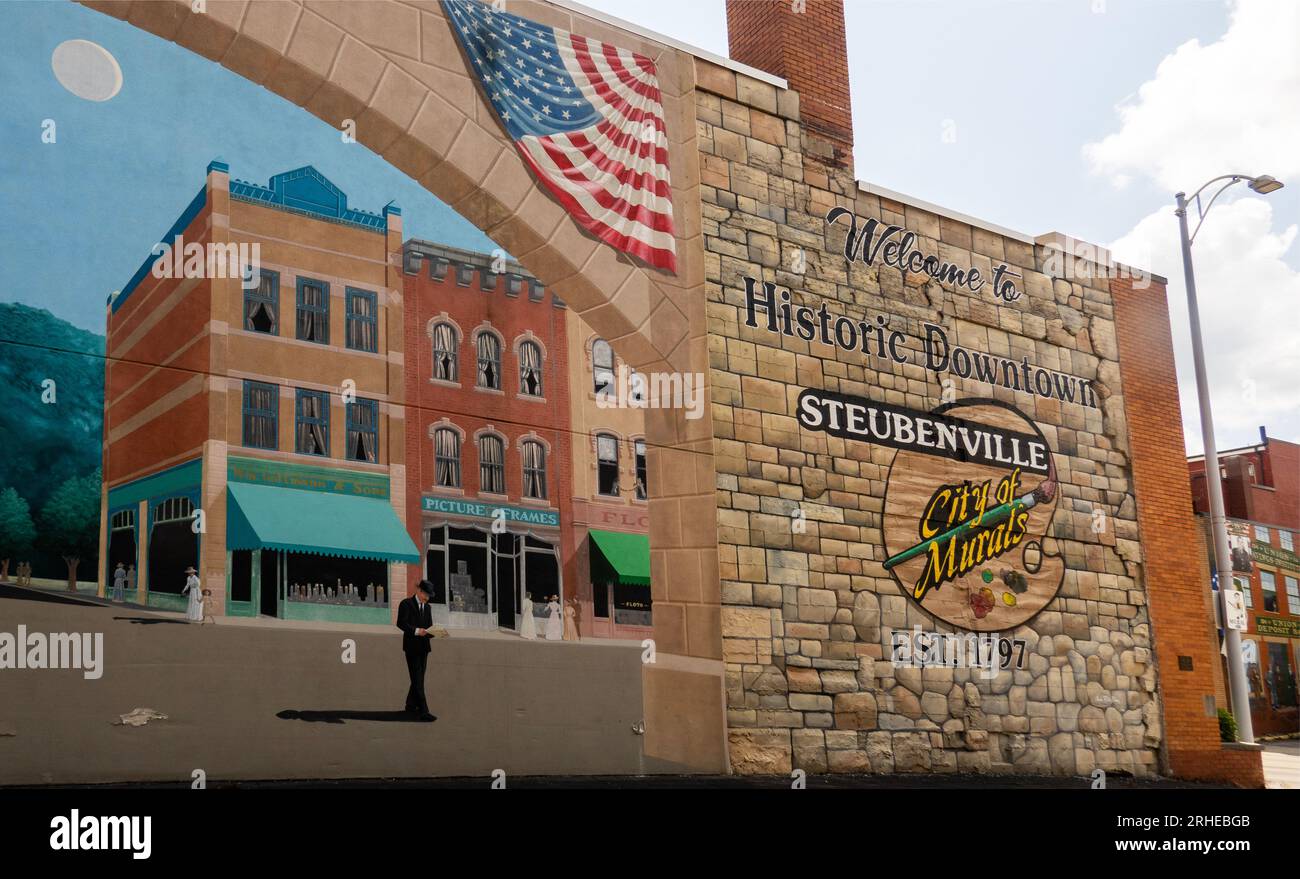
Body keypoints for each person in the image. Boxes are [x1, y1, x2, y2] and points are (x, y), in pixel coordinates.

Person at [396, 581, 437, 721]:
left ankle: (410, 704)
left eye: (429, 596)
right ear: (419, 591)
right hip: (412, 647)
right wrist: (416, 631)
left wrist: (435, 632)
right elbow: (401, 623)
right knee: (418, 679)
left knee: (419, 678)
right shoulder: (406, 604)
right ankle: (424, 711)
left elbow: (429, 626)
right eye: (426, 595)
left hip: (424, 648)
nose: (427, 598)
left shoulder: (428, 608)